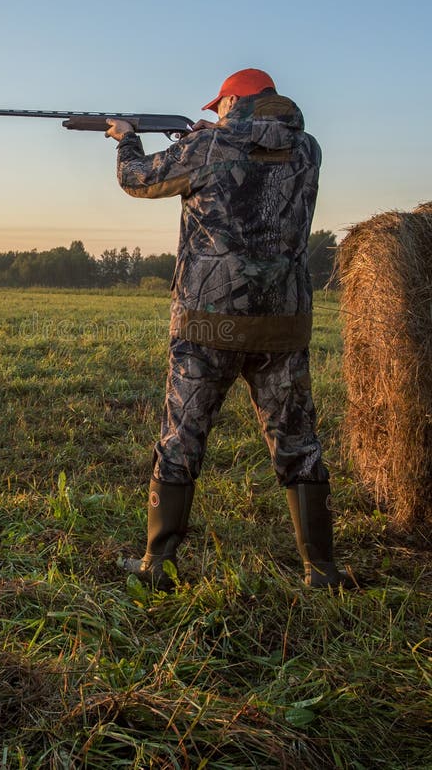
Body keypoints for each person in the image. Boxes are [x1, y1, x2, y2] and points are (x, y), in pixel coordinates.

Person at [105, 68, 352, 591]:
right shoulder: (309, 149)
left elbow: (137, 179)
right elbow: (254, 161)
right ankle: (323, 570)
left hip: (207, 325)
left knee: (181, 440)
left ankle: (157, 566)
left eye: (220, 105)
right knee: (298, 442)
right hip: (282, 324)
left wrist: (126, 139)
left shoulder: (210, 145)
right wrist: (203, 137)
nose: (215, 112)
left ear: (233, 101)